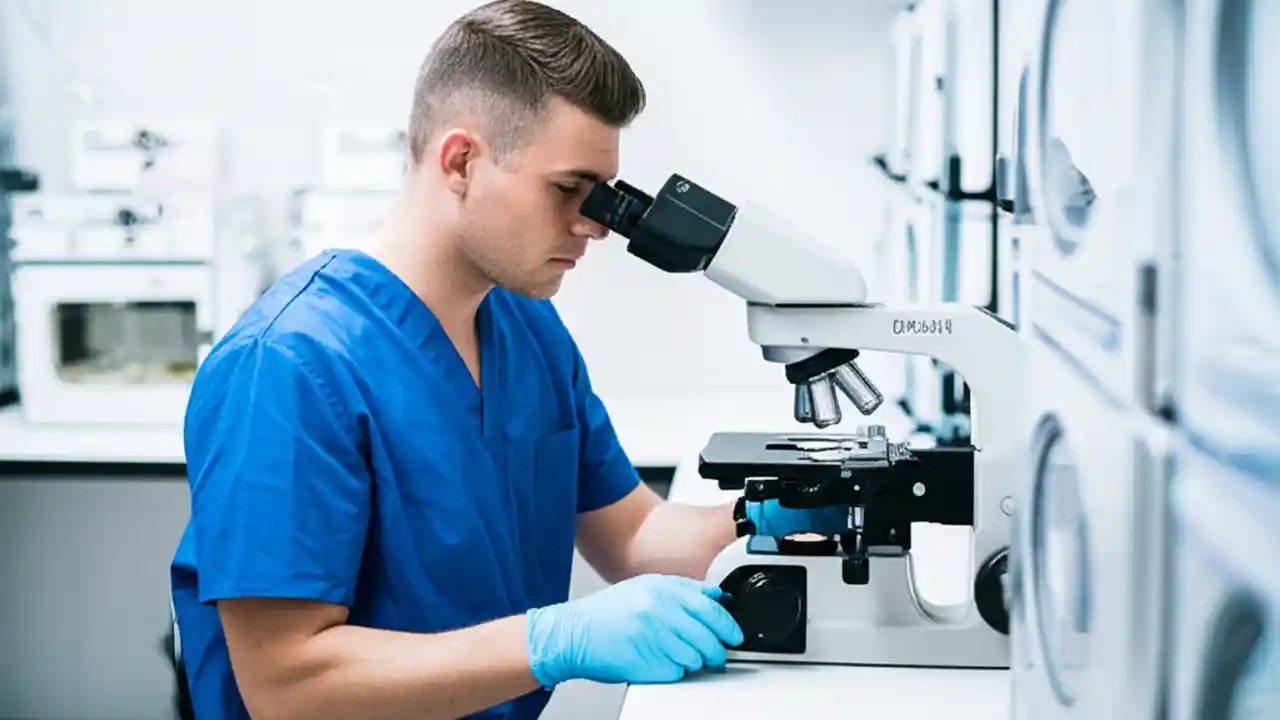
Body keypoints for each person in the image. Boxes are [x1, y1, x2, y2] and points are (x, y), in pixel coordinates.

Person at [170, 2, 840, 718]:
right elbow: (286, 685)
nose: (594, 226)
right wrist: (554, 640)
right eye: (567, 190)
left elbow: (635, 536)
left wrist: (773, 514)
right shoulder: (289, 367)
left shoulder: (527, 328)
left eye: (601, 197)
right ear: (461, 162)